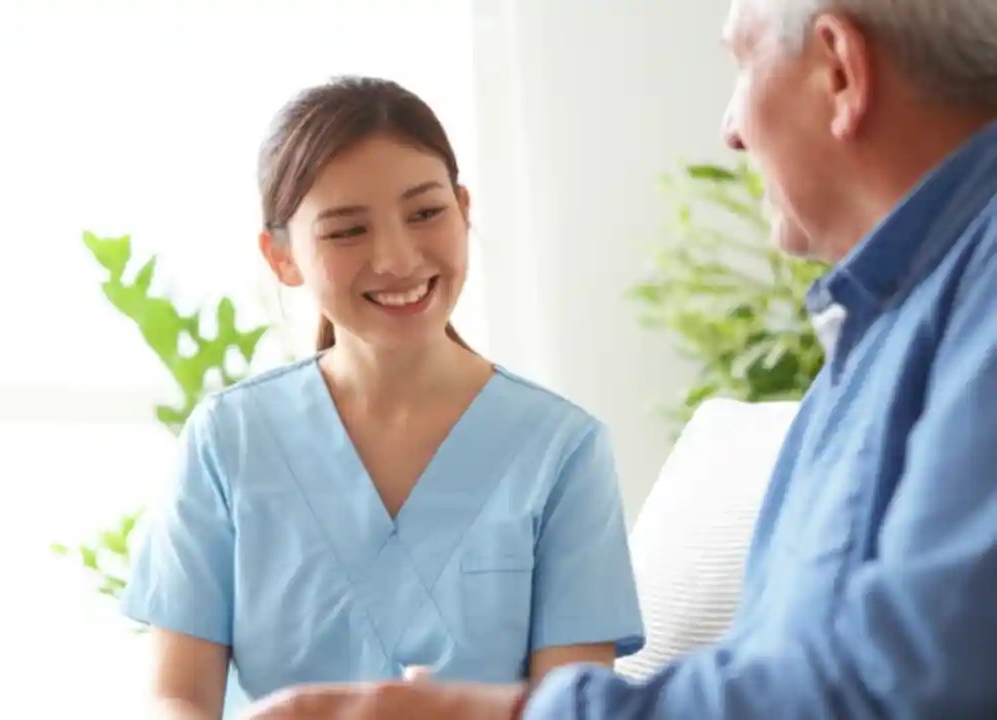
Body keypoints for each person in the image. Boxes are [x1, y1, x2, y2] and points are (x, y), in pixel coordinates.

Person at [240, 0, 997, 718]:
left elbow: (915, 687)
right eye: (346, 230)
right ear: (282, 256)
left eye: (741, 64)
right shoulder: (883, 330)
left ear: (839, 72)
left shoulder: (972, 301)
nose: (730, 127)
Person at [120, 76, 645, 719]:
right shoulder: (228, 441)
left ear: (464, 209)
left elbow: (575, 707)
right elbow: (176, 697)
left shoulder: (563, 452)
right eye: (346, 232)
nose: (397, 258)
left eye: (425, 213)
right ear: (281, 257)